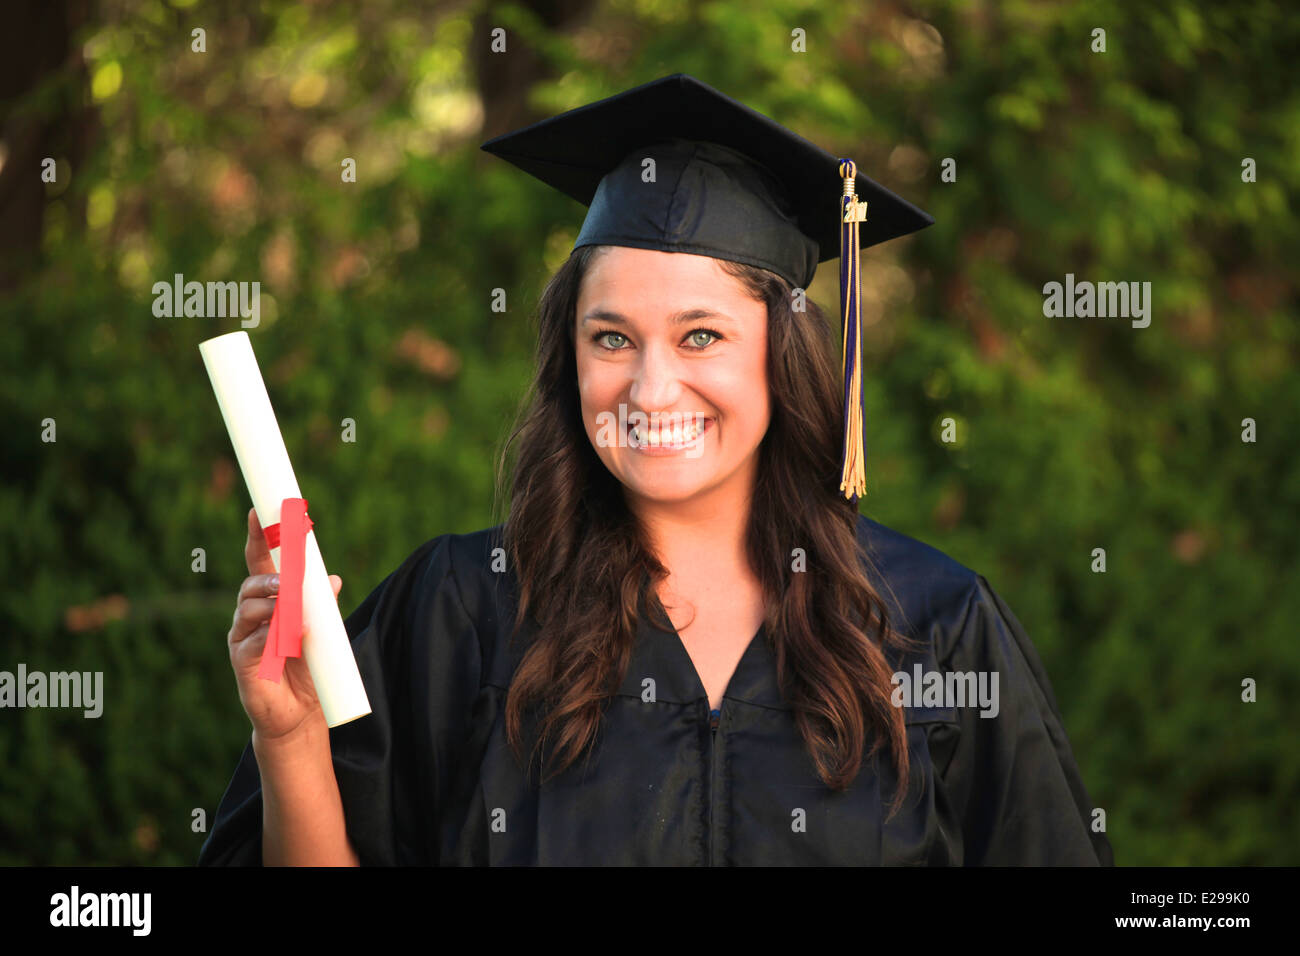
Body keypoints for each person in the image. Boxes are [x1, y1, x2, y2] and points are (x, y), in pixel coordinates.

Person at [199, 74, 1113, 866]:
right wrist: (289, 737)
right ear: (570, 354)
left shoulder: (932, 627)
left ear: (779, 353)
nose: (650, 384)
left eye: (701, 334)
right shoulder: (462, 611)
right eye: (611, 338)